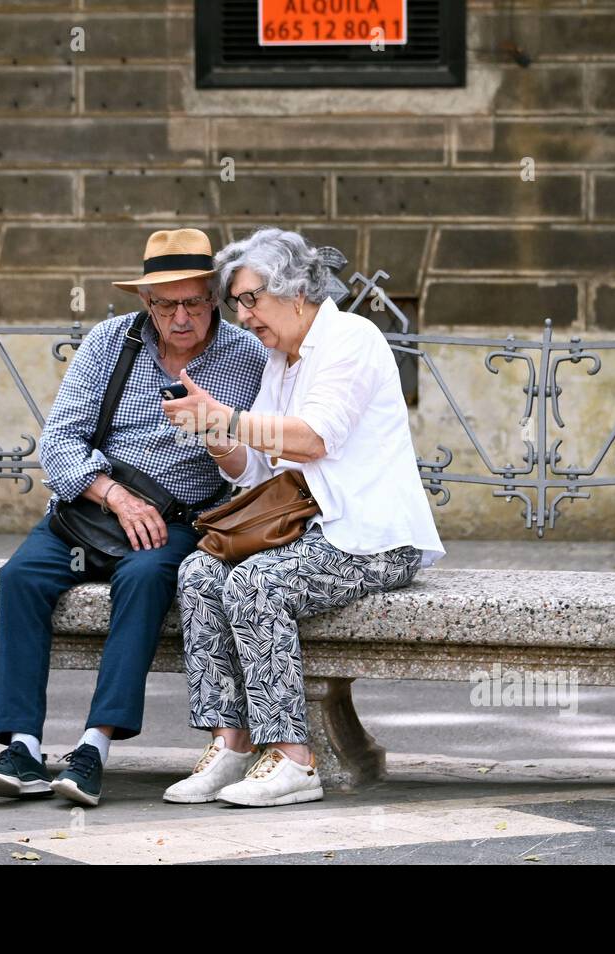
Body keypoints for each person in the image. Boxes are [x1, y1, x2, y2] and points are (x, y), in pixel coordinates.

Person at [0, 229, 267, 807]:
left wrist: (214, 435)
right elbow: (58, 444)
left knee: (146, 578)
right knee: (21, 578)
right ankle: (23, 748)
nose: (181, 317)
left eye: (194, 302)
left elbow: (248, 470)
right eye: (165, 304)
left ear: (213, 298)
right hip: (92, 510)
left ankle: (92, 749)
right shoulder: (110, 341)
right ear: (145, 303)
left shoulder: (246, 356)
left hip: (176, 517)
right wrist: (115, 496)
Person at [160, 227, 445, 807]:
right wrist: (212, 429)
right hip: (304, 530)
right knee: (197, 574)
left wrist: (229, 416)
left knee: (256, 583)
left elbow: (313, 439)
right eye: (236, 304)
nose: (243, 318)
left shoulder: (351, 340)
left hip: (372, 537)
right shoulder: (279, 360)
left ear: (294, 291)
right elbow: (251, 468)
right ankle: (232, 744)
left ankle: (292, 758)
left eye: (249, 300)